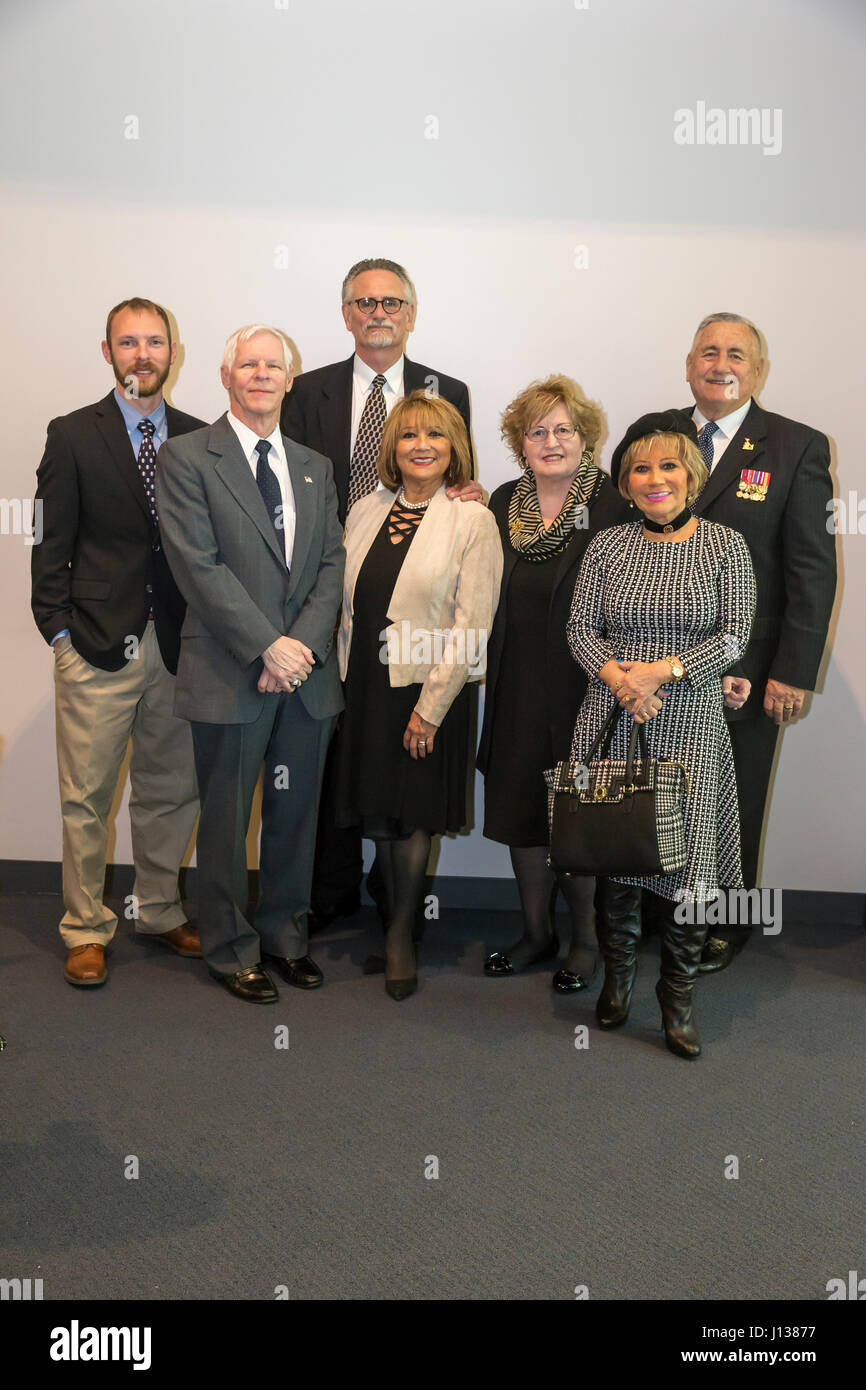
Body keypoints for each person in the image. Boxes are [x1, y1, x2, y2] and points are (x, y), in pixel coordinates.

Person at [282, 257, 478, 928]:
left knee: (393, 762)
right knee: (334, 752)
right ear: (346, 314)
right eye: (364, 303)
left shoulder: (446, 388)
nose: (378, 313)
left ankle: (391, 901)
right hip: (325, 599)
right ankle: (327, 894)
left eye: (391, 302)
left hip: (414, 598)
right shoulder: (307, 393)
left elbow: (457, 479)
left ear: (411, 313)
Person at [155, 325, 345, 1004]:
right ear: (227, 376)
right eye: (248, 364)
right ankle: (230, 948)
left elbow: (329, 566)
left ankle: (285, 938)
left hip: (306, 677)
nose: (261, 374)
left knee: (296, 817)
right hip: (232, 670)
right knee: (227, 821)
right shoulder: (186, 457)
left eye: (273, 365)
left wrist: (299, 651)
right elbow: (196, 566)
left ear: (289, 379)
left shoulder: (314, 466)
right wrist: (268, 646)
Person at [568, 411, 756, 1058]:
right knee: (616, 857)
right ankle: (617, 982)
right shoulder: (606, 547)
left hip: (692, 723)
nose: (655, 479)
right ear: (625, 483)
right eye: (641, 468)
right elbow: (580, 632)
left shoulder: (727, 546)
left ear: (691, 475)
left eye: (668, 465)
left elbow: (733, 634)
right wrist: (623, 681)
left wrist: (661, 672)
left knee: (690, 866)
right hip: (614, 716)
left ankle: (676, 999)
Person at [31, 297, 204, 988]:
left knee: (171, 790)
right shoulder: (73, 434)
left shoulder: (198, 436)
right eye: (128, 342)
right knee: (87, 798)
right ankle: (85, 928)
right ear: (108, 353)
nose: (143, 354)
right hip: (97, 646)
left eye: (154, 342)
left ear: (172, 353)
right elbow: (49, 539)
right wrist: (60, 632)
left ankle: (160, 910)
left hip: (180, 648)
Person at [678, 313, 836, 973]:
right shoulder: (653, 433)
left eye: (736, 353)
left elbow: (812, 568)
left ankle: (727, 921)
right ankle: (670, 911)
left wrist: (793, 671)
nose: (721, 363)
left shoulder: (796, 446)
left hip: (749, 663)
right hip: (663, 660)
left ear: (758, 371)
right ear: (689, 363)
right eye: (708, 351)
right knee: (671, 791)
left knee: (734, 796)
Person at [335, 390, 502, 1000]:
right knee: (379, 812)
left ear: (454, 446)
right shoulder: (364, 510)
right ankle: (390, 923)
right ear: (392, 448)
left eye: (435, 435)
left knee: (411, 819)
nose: (422, 445)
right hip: (368, 688)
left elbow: (472, 624)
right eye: (409, 435)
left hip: (430, 689)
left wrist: (430, 709)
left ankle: (402, 936)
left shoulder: (472, 520)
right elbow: (347, 607)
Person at [477, 375, 630, 989]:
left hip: (588, 684)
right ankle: (536, 931)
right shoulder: (499, 501)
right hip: (516, 682)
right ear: (520, 442)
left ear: (586, 436)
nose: (550, 440)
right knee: (521, 806)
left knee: (580, 810)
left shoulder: (615, 506)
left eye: (563, 429)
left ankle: (586, 941)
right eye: (536, 431)